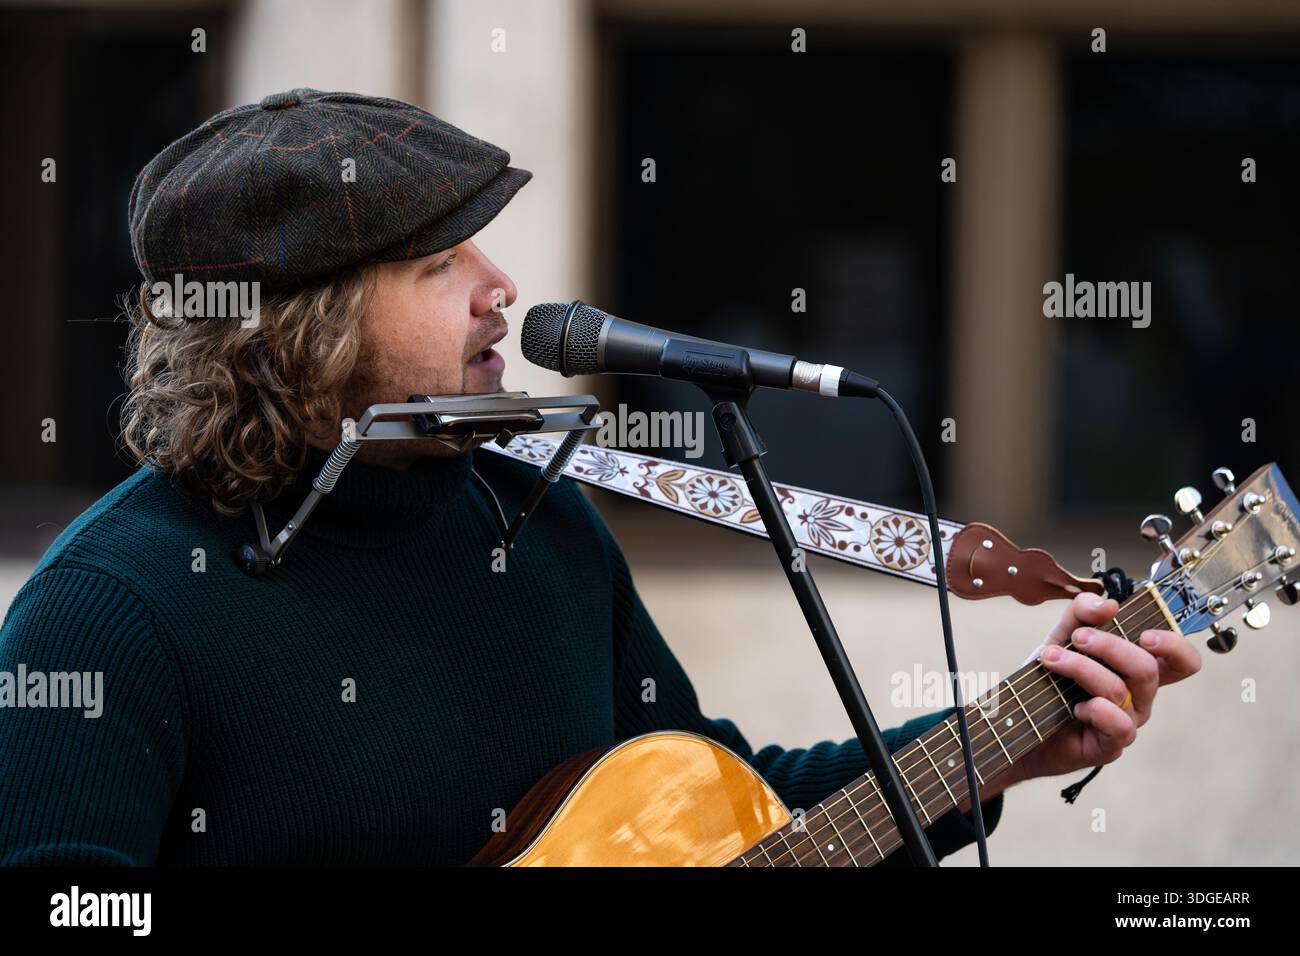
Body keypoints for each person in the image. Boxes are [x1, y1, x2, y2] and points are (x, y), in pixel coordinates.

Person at [0, 89, 1200, 866]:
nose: (501, 286)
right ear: (299, 324)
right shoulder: (114, 606)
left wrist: (1002, 742)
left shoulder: (534, 521)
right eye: (437, 259)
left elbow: (730, 813)